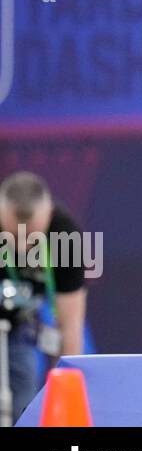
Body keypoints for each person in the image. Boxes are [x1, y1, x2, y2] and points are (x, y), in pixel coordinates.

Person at [0, 171, 87, 424]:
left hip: (21, 324)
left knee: (25, 405)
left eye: (33, 237)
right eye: (14, 236)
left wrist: (66, 388)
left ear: (48, 214)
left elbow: (71, 323)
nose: (23, 246)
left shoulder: (65, 234)